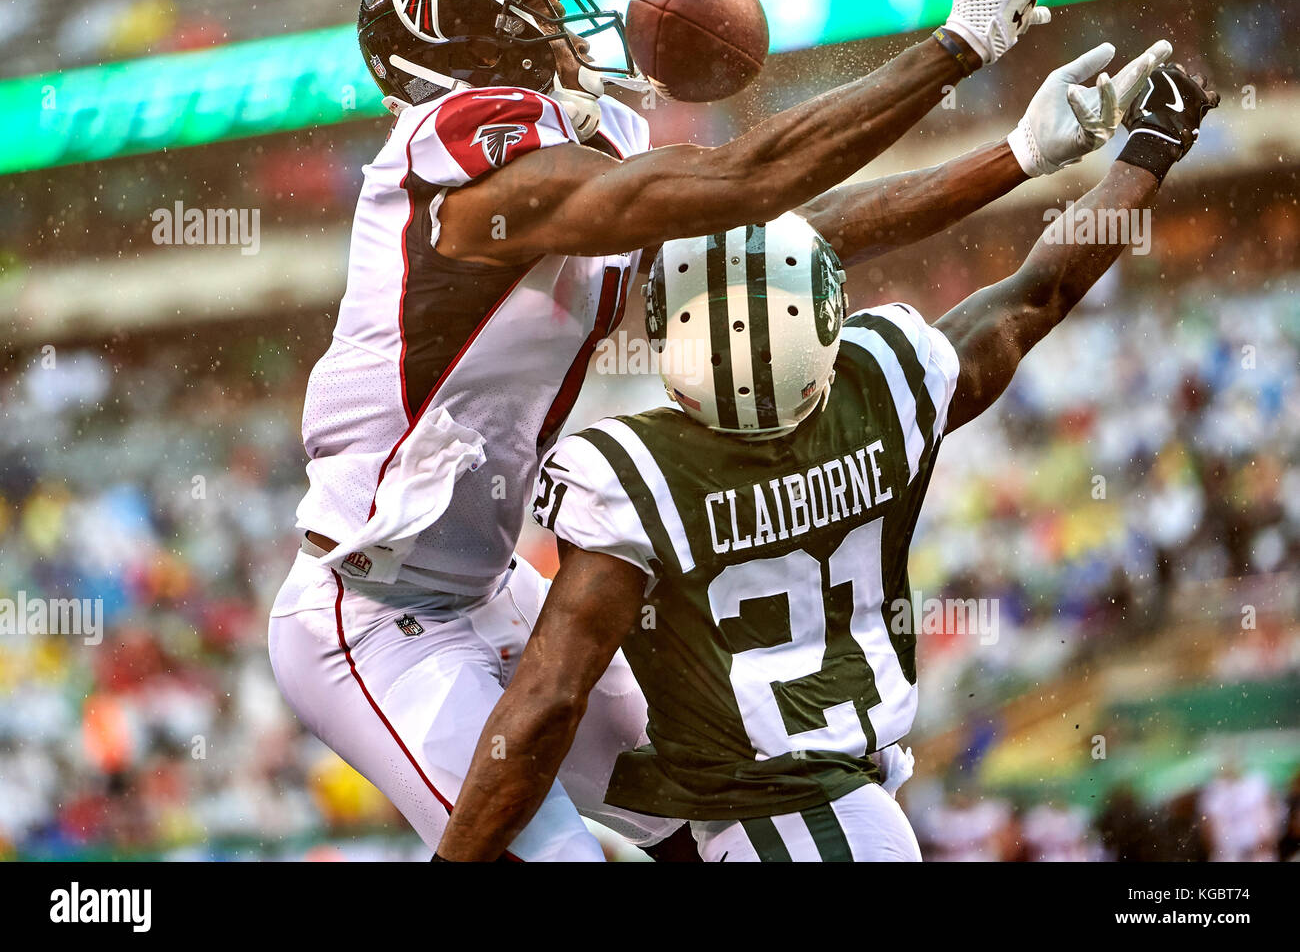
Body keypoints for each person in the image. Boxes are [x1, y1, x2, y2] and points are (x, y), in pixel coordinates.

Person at [268, 0, 1159, 861]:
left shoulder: (566, 172)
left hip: (483, 589)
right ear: (480, 49)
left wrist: (1017, 158)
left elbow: (788, 233)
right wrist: (955, 47)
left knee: (700, 801)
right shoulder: (481, 186)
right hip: (369, 617)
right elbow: (744, 179)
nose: (571, 29)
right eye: (538, 12)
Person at [432, 62, 1219, 861]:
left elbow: (548, 702)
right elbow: (1038, 291)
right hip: (846, 811)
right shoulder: (888, 388)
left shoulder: (635, 472)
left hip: (794, 832)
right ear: (830, 309)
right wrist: (1150, 149)